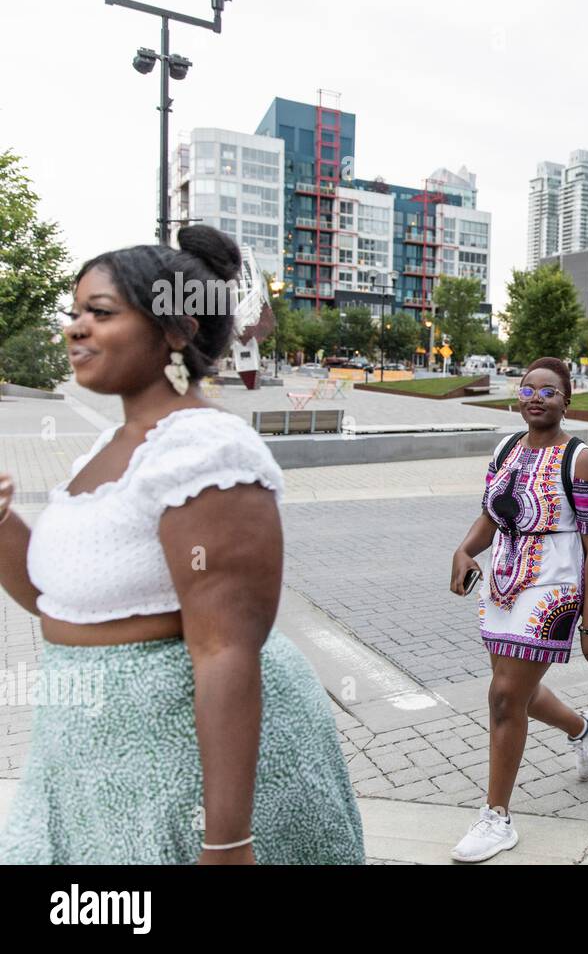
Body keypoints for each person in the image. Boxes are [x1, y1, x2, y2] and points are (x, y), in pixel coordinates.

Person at [0, 226, 363, 864]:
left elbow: (226, 648)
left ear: (176, 330)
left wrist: (225, 843)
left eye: (101, 313)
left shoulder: (205, 449)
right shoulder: (101, 451)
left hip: (177, 779)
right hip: (91, 765)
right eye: (74, 311)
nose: (76, 328)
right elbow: (57, 603)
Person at [449, 357, 588, 862]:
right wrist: (463, 550)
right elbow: (491, 514)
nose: (537, 398)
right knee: (516, 692)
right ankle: (582, 727)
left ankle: (497, 818)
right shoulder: (505, 449)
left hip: (554, 588)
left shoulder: (582, 460)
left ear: (567, 401)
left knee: (502, 696)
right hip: (502, 583)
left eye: (549, 391)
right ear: (517, 398)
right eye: (528, 389)